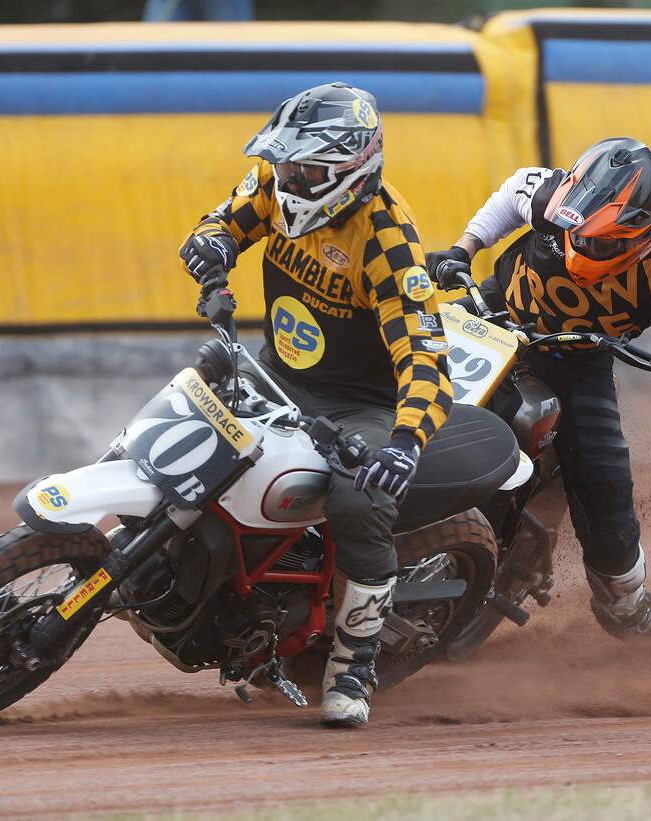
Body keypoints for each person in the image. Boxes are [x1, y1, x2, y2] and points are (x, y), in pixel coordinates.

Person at [178, 82, 454, 726]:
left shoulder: (388, 240)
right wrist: (213, 254)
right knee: (193, 408)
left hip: (361, 402)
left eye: (303, 169)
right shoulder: (274, 185)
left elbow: (425, 362)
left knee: (358, 502)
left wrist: (404, 444)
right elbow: (219, 223)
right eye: (284, 164)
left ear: (347, 172)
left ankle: (354, 664)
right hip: (279, 369)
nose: (287, 177)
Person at [426, 137, 651, 639]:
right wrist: (464, 248)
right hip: (489, 319)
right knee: (395, 368)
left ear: (641, 236)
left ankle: (627, 603)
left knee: (605, 491)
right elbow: (512, 193)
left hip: (576, 364)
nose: (579, 244)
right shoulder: (553, 196)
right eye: (575, 230)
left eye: (599, 243)